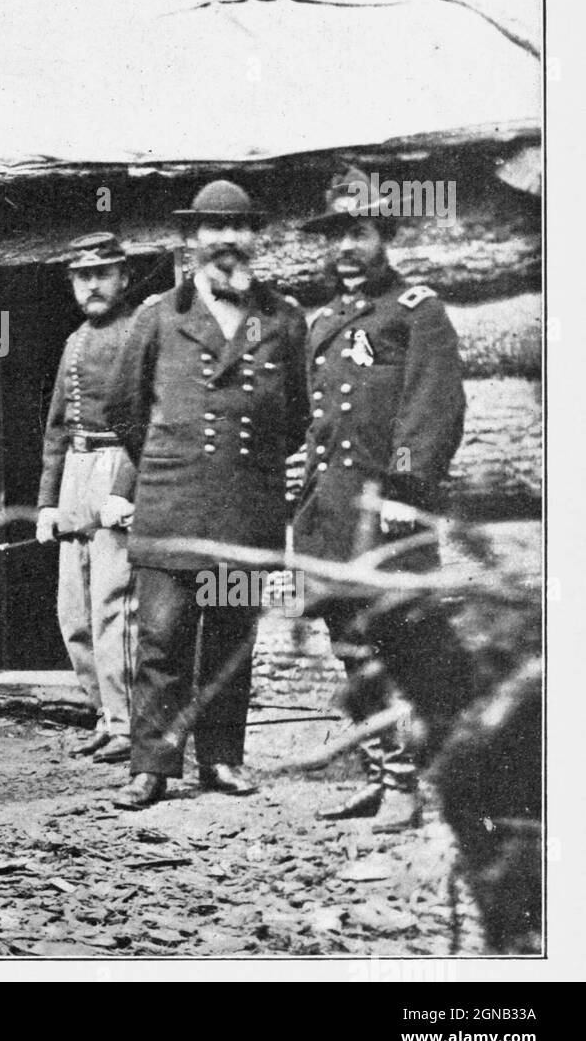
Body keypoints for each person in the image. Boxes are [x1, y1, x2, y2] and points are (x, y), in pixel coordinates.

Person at [106, 181, 308, 809]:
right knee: (162, 639)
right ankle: (152, 765)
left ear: (255, 239)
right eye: (212, 228)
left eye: (239, 228)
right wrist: (172, 462)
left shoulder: (283, 318)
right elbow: (124, 409)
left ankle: (221, 759)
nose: (227, 240)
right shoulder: (157, 316)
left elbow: (296, 415)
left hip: (246, 513)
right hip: (171, 507)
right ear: (191, 240)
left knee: (230, 638)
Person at [294, 166, 470, 832]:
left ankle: (417, 786)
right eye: (335, 235)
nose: (345, 247)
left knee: (398, 642)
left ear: (383, 236)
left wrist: (402, 488)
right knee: (348, 644)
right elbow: (320, 416)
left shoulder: (417, 311)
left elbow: (432, 409)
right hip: (330, 510)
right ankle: (382, 775)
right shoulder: (326, 321)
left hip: (385, 510)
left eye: (358, 233)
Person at [36, 233, 138, 765]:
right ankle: (102, 713)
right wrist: (48, 502)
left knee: (111, 602)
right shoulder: (75, 339)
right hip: (76, 468)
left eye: (103, 274)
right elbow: (56, 427)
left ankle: (128, 722)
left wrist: (125, 490)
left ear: (124, 277)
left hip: (117, 461)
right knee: (71, 607)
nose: (92, 285)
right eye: (82, 276)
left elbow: (153, 422)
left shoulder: (139, 332)